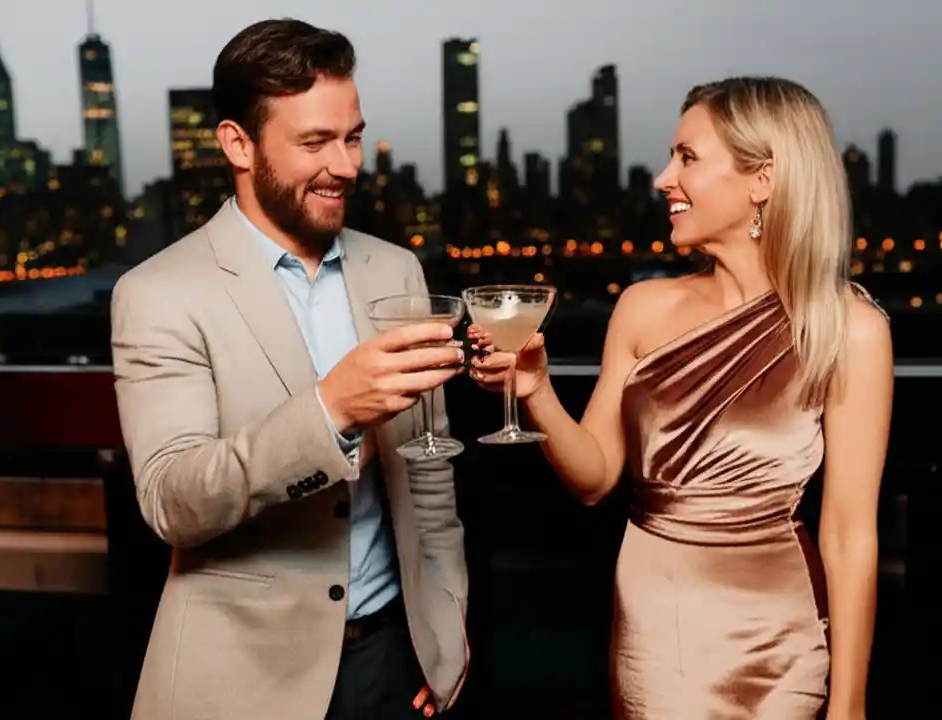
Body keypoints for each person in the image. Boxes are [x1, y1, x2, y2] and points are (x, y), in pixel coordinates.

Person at [469, 76, 892, 719]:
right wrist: (535, 390)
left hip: (779, 641)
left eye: (688, 158)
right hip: (653, 633)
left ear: (763, 180)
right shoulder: (643, 307)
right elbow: (593, 478)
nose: (664, 178)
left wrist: (851, 706)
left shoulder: (851, 330)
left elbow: (850, 533)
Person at [110, 18, 468, 720]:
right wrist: (329, 410)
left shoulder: (395, 269)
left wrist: (443, 631)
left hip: (394, 661)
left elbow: (429, 475)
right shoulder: (158, 293)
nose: (346, 164)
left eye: (353, 135)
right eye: (314, 142)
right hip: (241, 683)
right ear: (237, 144)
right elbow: (172, 502)